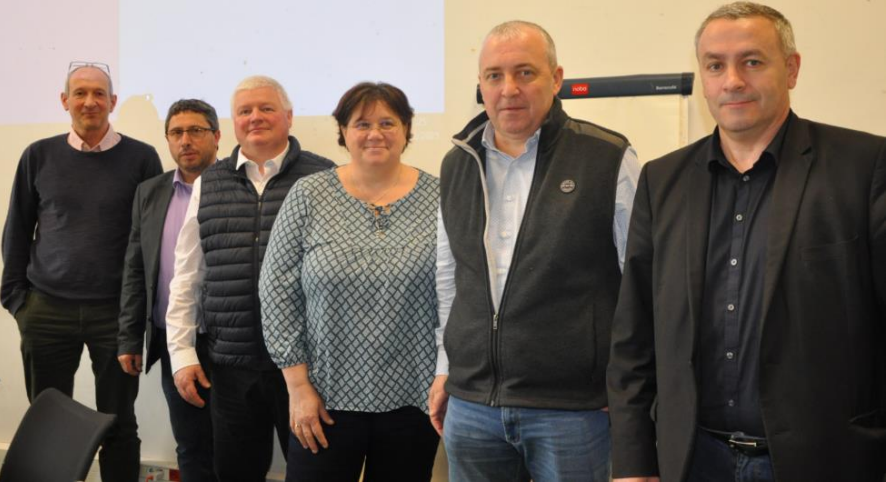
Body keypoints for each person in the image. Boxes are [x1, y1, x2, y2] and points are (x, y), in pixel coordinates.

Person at [607, 3, 886, 482]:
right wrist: (633, 462)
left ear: (792, 69)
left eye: (752, 61)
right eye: (715, 65)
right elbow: (634, 338)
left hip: (825, 460)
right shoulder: (662, 180)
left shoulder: (864, 167)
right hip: (695, 460)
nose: (731, 80)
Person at [431, 21, 640, 482]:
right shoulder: (457, 164)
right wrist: (446, 371)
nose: (509, 89)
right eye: (494, 76)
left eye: (525, 73)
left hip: (573, 411)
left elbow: (640, 283)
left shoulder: (608, 158)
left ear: (556, 78)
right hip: (472, 404)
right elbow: (451, 280)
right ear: (480, 85)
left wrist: (627, 387)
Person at [260, 82, 440, 482]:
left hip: (414, 400)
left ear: (407, 130)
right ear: (342, 131)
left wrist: (445, 376)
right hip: (322, 401)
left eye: (387, 122)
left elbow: (456, 294)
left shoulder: (440, 197)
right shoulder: (309, 194)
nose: (374, 133)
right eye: (361, 123)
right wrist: (298, 386)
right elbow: (276, 294)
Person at [165, 76, 335, 482]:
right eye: (245, 111)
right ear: (234, 122)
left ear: (289, 117)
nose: (255, 117)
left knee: (315, 472)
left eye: (266, 108)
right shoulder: (210, 181)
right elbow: (187, 274)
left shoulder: (325, 178)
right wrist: (182, 354)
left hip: (307, 368)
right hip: (230, 366)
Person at [1, 61, 163, 482]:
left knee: (119, 423)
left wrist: (139, 314)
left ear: (112, 102)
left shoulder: (142, 158)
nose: (89, 102)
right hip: (46, 313)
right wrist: (20, 304)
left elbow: (152, 241)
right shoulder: (38, 155)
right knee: (48, 425)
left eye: (98, 94)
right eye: (79, 93)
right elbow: (16, 231)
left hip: (115, 315)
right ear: (64, 101)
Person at [117, 99, 220, 481]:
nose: (186, 140)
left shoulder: (234, 186)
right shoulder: (150, 191)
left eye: (196, 130)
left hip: (226, 340)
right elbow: (135, 266)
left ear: (217, 137)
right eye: (176, 133)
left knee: (232, 442)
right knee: (190, 442)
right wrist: (129, 337)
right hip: (171, 338)